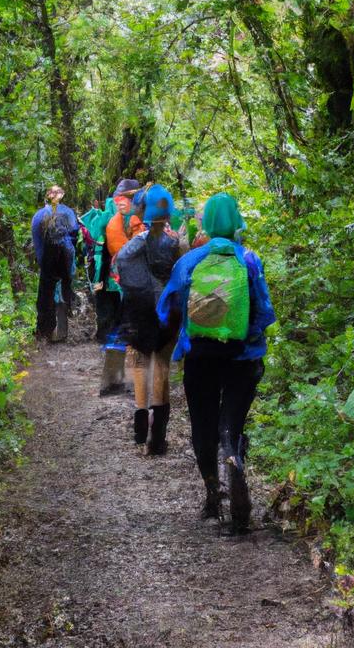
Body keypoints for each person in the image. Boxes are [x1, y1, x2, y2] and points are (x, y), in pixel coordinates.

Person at [156, 192, 275, 533]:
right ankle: (234, 463)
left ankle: (212, 494)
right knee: (230, 427)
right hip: (243, 359)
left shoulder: (190, 261)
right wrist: (242, 336)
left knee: (202, 427)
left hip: (200, 357)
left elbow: (168, 308)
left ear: (206, 224)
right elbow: (265, 313)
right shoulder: (250, 260)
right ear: (237, 221)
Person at [114, 184, 181, 455]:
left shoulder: (133, 246)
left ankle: (141, 428)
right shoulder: (174, 243)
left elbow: (119, 267)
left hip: (138, 313)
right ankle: (159, 432)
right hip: (166, 312)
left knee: (140, 364)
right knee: (162, 365)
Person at [80, 179, 144, 394]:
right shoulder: (133, 218)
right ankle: (123, 382)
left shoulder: (122, 217)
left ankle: (115, 381)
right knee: (125, 327)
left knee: (118, 328)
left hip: (114, 281)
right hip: (119, 283)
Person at [30, 185, 79, 342]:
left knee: (46, 293)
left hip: (46, 261)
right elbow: (74, 235)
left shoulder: (38, 215)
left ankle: (45, 331)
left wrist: (41, 259)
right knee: (63, 292)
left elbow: (36, 240)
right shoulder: (68, 213)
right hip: (64, 259)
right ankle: (61, 332)